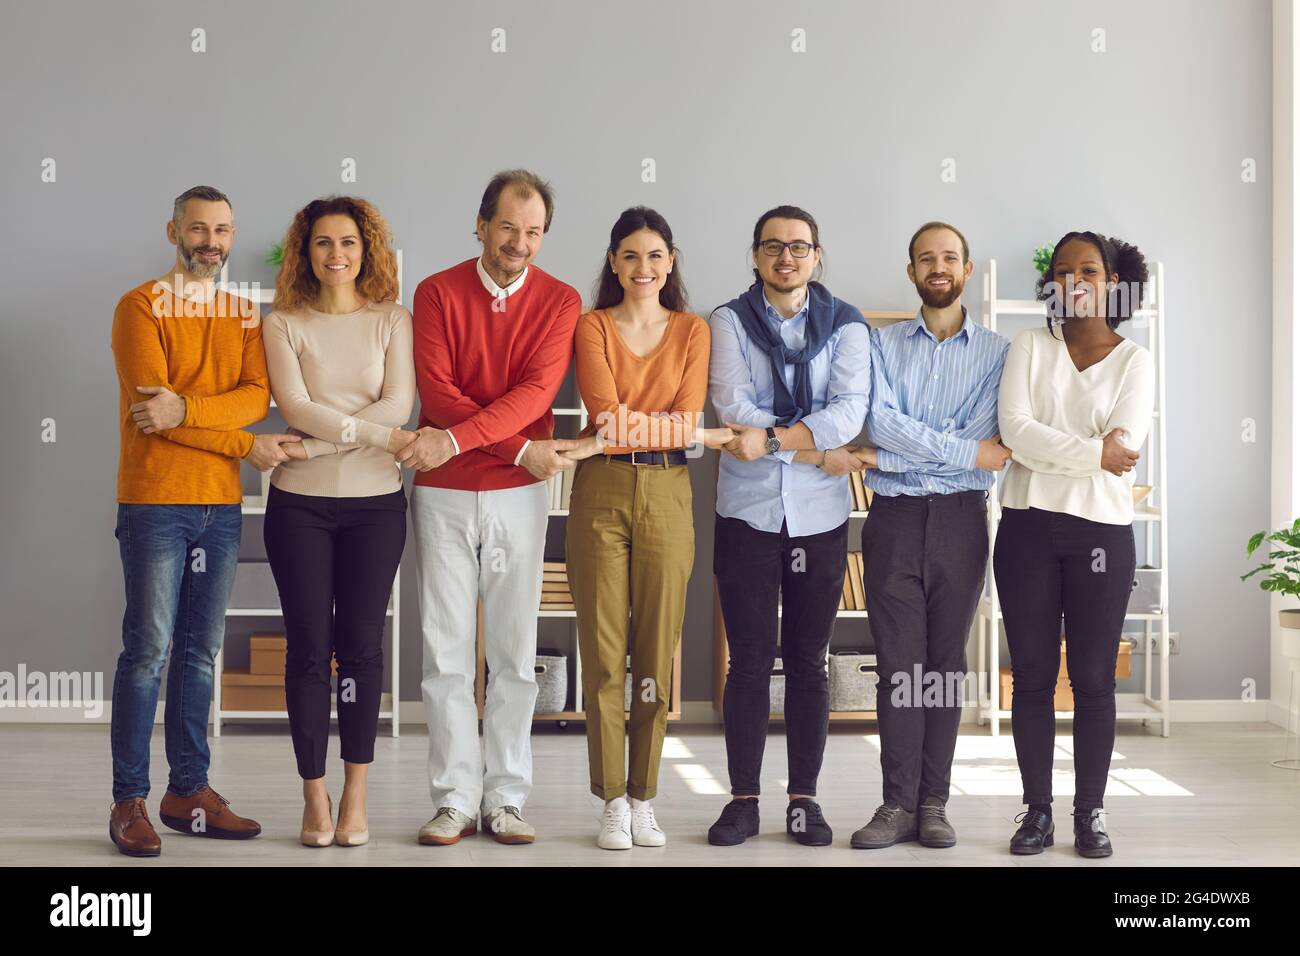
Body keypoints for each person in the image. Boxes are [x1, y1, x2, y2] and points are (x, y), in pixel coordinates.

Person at [108, 185, 294, 856]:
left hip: (219, 507)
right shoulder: (138, 308)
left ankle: (188, 789)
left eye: (221, 230)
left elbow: (254, 396)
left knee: (198, 654)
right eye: (197, 228)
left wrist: (188, 411)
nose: (210, 241)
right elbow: (151, 419)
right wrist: (241, 443)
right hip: (155, 501)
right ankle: (128, 800)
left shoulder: (245, 314)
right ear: (172, 231)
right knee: (148, 652)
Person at [406, 170, 581, 846]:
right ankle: (454, 798)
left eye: (533, 232)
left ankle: (504, 797)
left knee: (512, 654)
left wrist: (470, 445)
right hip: (445, 494)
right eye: (508, 227)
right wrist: (514, 450)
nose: (519, 242)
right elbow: (439, 392)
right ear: (481, 225)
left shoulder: (560, 300)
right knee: (445, 654)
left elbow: (538, 395)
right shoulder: (436, 292)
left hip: (518, 499)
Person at [560, 207, 732, 849]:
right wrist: (696, 433)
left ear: (672, 261)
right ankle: (610, 799)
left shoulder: (692, 331)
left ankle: (644, 796)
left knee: (656, 655)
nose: (643, 267)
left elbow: (686, 418)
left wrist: (687, 430)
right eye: (630, 255)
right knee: (604, 654)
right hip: (602, 488)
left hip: (667, 490)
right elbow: (607, 424)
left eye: (655, 255)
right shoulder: (592, 326)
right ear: (613, 262)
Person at [706, 205, 871, 847]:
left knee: (808, 662)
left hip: (820, 518)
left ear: (817, 255)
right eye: (773, 247)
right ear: (755, 256)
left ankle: (804, 800)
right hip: (746, 514)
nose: (786, 258)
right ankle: (743, 800)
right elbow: (732, 406)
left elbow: (848, 414)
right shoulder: (727, 321)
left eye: (798, 247)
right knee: (747, 662)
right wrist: (811, 448)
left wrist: (776, 443)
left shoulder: (847, 326)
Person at [994, 231, 1154, 858]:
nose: (1075, 279)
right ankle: (1036, 814)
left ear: (1113, 281)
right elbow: (1014, 431)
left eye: (1089, 269)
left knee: (1093, 680)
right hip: (1027, 529)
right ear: (1051, 284)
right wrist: (1092, 449)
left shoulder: (1135, 361)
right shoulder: (1030, 346)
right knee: (1031, 678)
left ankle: (1090, 813)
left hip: (1102, 535)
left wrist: (1056, 446)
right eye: (1063, 271)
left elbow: (1127, 446)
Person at [261, 196, 415, 848]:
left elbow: (401, 404)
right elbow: (293, 402)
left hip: (375, 505)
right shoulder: (282, 323)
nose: (336, 255)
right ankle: (313, 794)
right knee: (306, 651)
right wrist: (364, 434)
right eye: (322, 243)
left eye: (348, 243)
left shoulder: (392, 319)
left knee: (360, 648)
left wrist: (325, 442)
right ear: (305, 251)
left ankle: (356, 792)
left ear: (366, 249)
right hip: (298, 503)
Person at [852, 222, 1010, 850]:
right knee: (900, 667)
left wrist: (894, 455)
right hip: (891, 520)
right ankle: (894, 804)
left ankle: (934, 804)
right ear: (911, 270)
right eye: (926, 259)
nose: (937, 267)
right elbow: (877, 423)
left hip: (962, 522)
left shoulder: (999, 353)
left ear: (966, 269)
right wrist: (962, 450)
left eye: (949, 258)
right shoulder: (879, 344)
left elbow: (983, 441)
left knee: (943, 667)